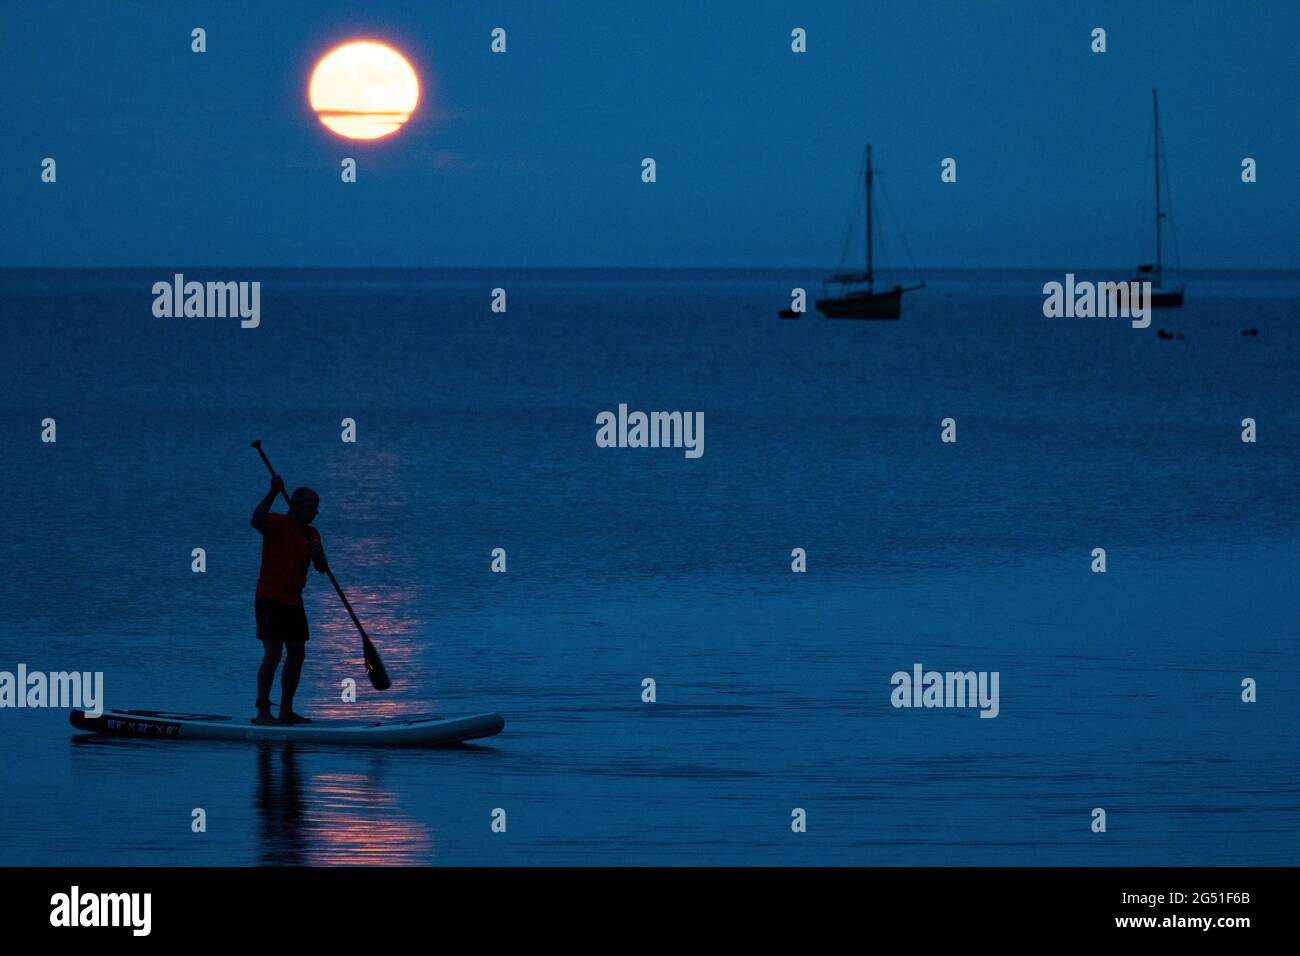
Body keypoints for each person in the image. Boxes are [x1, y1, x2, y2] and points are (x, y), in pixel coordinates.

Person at [251, 475, 328, 725]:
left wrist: (318, 555)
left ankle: (286, 710)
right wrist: (273, 491)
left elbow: (321, 568)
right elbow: (256, 520)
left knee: (297, 652)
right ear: (295, 505)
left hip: (294, 602)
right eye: (310, 507)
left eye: (316, 508)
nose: (315, 512)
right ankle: (263, 711)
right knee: (273, 654)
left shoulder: (312, 534)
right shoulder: (277, 523)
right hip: (269, 599)